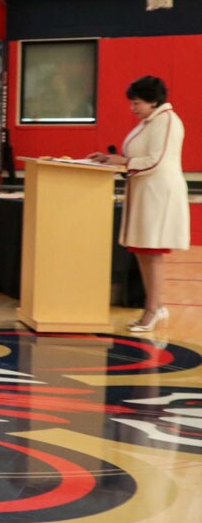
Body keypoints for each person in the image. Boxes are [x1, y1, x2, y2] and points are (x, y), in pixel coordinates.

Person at [91, 75, 188, 334]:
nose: (133, 108)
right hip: (145, 191)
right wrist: (112, 159)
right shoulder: (150, 122)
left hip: (159, 193)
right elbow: (137, 156)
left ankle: (153, 310)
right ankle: (156, 305)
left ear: (153, 101)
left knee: (152, 251)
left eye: (137, 103)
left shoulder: (167, 121)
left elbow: (156, 160)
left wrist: (121, 162)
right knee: (143, 250)